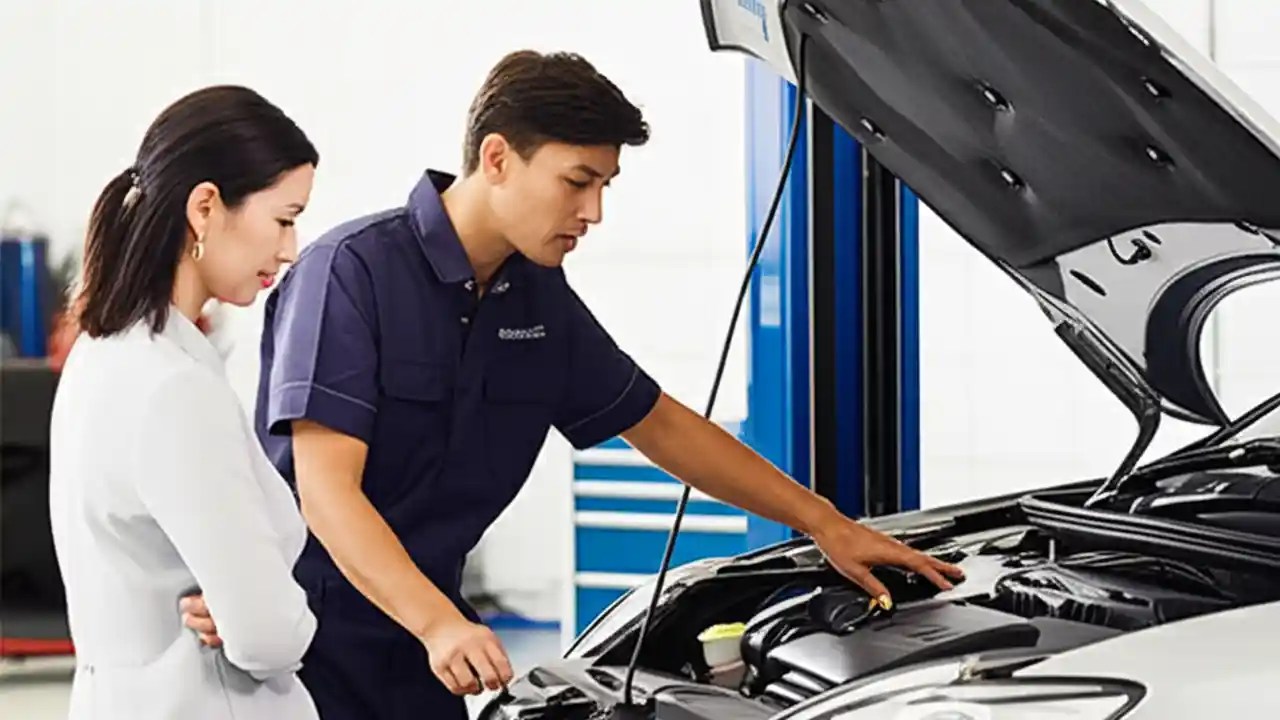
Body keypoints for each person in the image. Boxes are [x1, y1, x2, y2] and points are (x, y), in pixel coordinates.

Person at [187, 50, 963, 720]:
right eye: (577, 181)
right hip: (303, 652)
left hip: (423, 652)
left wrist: (823, 522)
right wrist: (436, 625)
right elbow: (326, 495)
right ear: (497, 159)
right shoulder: (350, 272)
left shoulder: (537, 299)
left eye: (605, 186)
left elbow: (660, 424)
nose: (593, 212)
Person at [47, 85, 322, 720]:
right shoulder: (172, 388)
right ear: (205, 207)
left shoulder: (102, 355)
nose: (289, 249)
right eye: (283, 218)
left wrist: (256, 603)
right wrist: (286, 611)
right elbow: (268, 634)